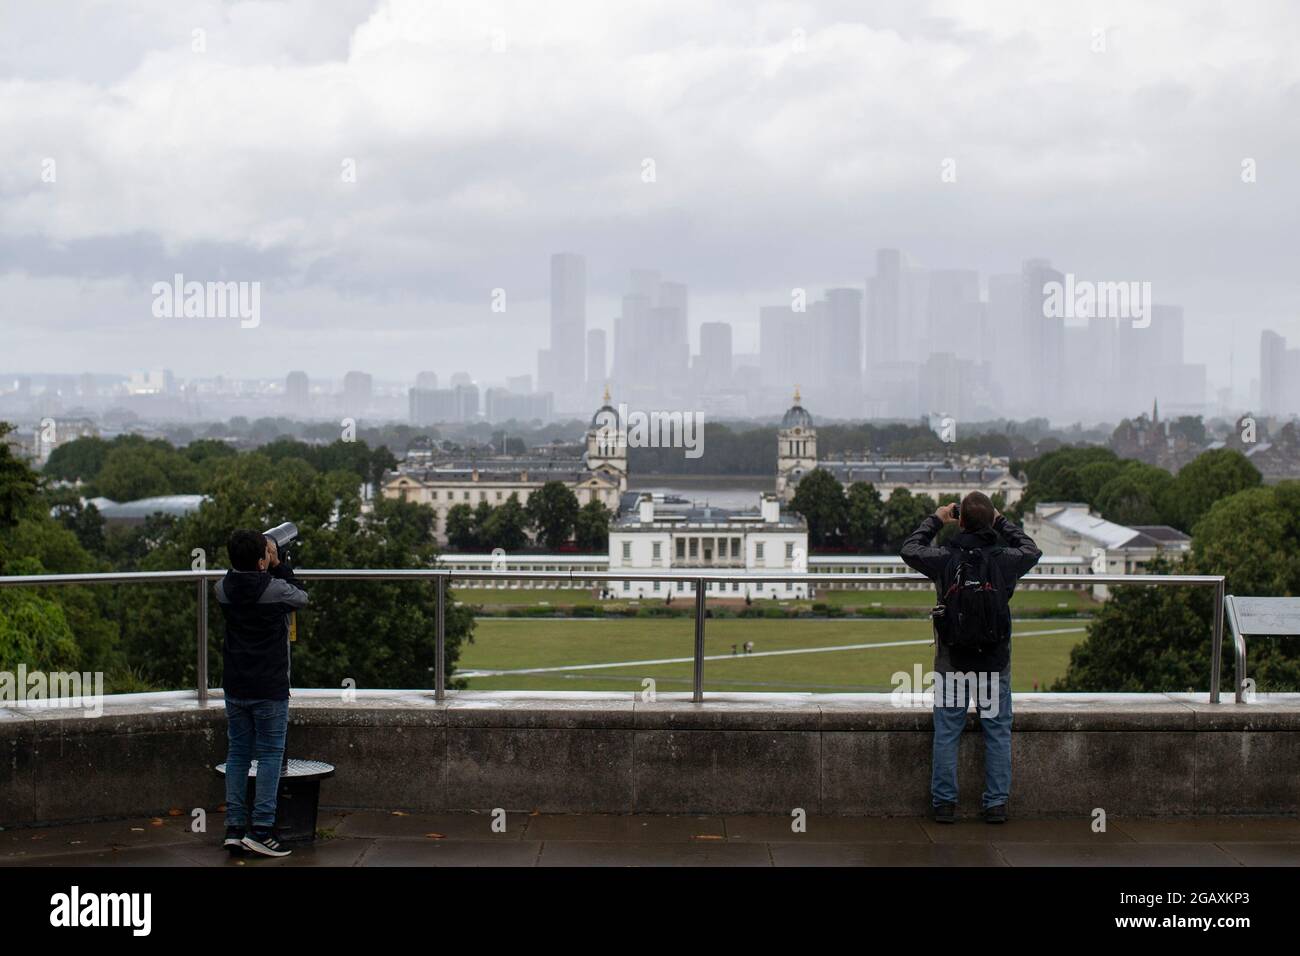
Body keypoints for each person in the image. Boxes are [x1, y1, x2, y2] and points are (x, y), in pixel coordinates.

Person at [900, 492, 1040, 824]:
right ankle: (995, 804)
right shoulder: (1005, 557)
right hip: (994, 659)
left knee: (947, 730)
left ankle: (945, 804)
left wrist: (936, 518)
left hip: (953, 657)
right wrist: (1001, 521)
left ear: (960, 520)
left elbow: (909, 549)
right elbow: (1032, 550)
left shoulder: (946, 557)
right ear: (990, 520)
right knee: (997, 730)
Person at [215, 528, 308, 857]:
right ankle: (262, 830)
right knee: (269, 755)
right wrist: (278, 563)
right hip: (269, 687)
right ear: (260, 561)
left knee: (238, 754)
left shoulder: (222, 589)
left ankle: (235, 828)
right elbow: (300, 597)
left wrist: (256, 562)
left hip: (235, 685)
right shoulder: (273, 589)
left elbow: (236, 578)